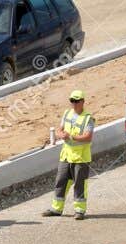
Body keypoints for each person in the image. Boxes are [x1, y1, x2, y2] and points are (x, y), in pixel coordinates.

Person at [42, 89, 95, 220]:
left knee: (79, 184)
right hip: (66, 155)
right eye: (72, 101)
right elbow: (60, 130)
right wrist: (62, 135)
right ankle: (56, 209)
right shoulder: (67, 114)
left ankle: (79, 210)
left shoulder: (88, 118)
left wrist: (71, 137)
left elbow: (88, 137)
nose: (74, 103)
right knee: (60, 181)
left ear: (83, 101)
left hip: (81, 157)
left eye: (77, 101)